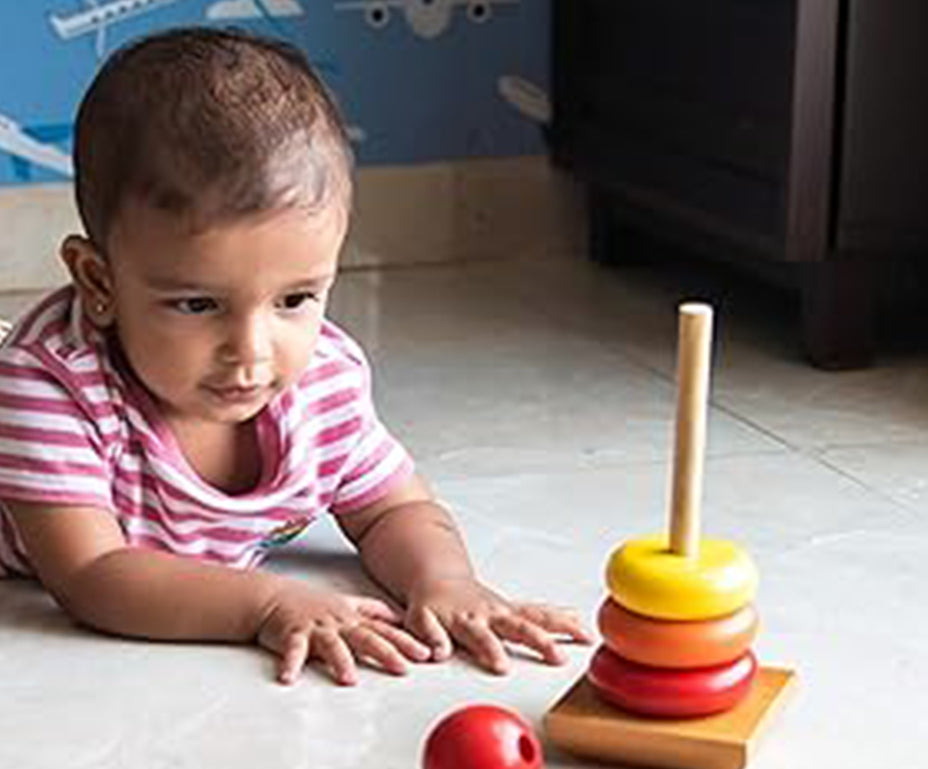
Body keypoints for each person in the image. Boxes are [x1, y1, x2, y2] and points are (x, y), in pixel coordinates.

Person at [0, 27, 590, 685]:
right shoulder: (51, 388)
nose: (251, 351)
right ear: (100, 283)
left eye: (295, 299)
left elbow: (392, 509)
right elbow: (92, 574)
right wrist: (268, 601)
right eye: (198, 304)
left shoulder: (322, 382)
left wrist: (445, 581)